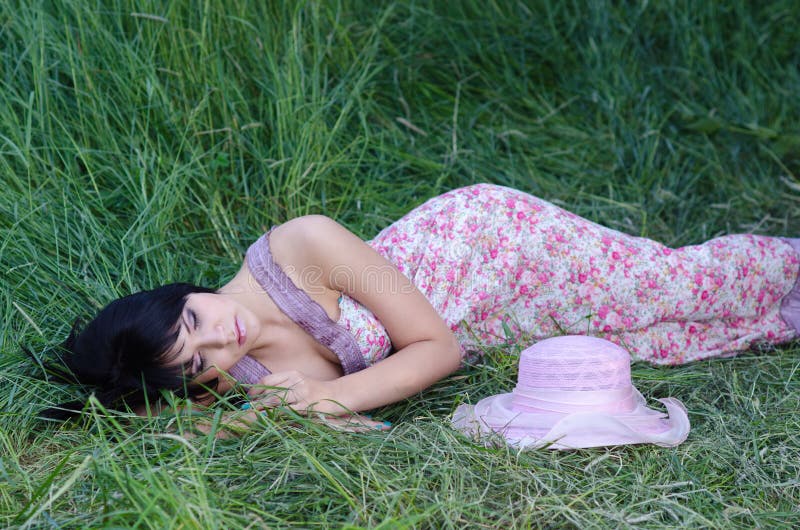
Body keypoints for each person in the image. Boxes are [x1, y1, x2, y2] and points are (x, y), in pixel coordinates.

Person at [37, 183, 800, 432]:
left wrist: (331, 395)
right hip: (481, 313)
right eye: (199, 362)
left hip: (489, 245)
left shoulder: (302, 248)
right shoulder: (231, 377)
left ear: (179, 295)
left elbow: (437, 351)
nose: (219, 337)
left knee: (662, 288)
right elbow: (205, 421)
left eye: (193, 319)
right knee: (643, 341)